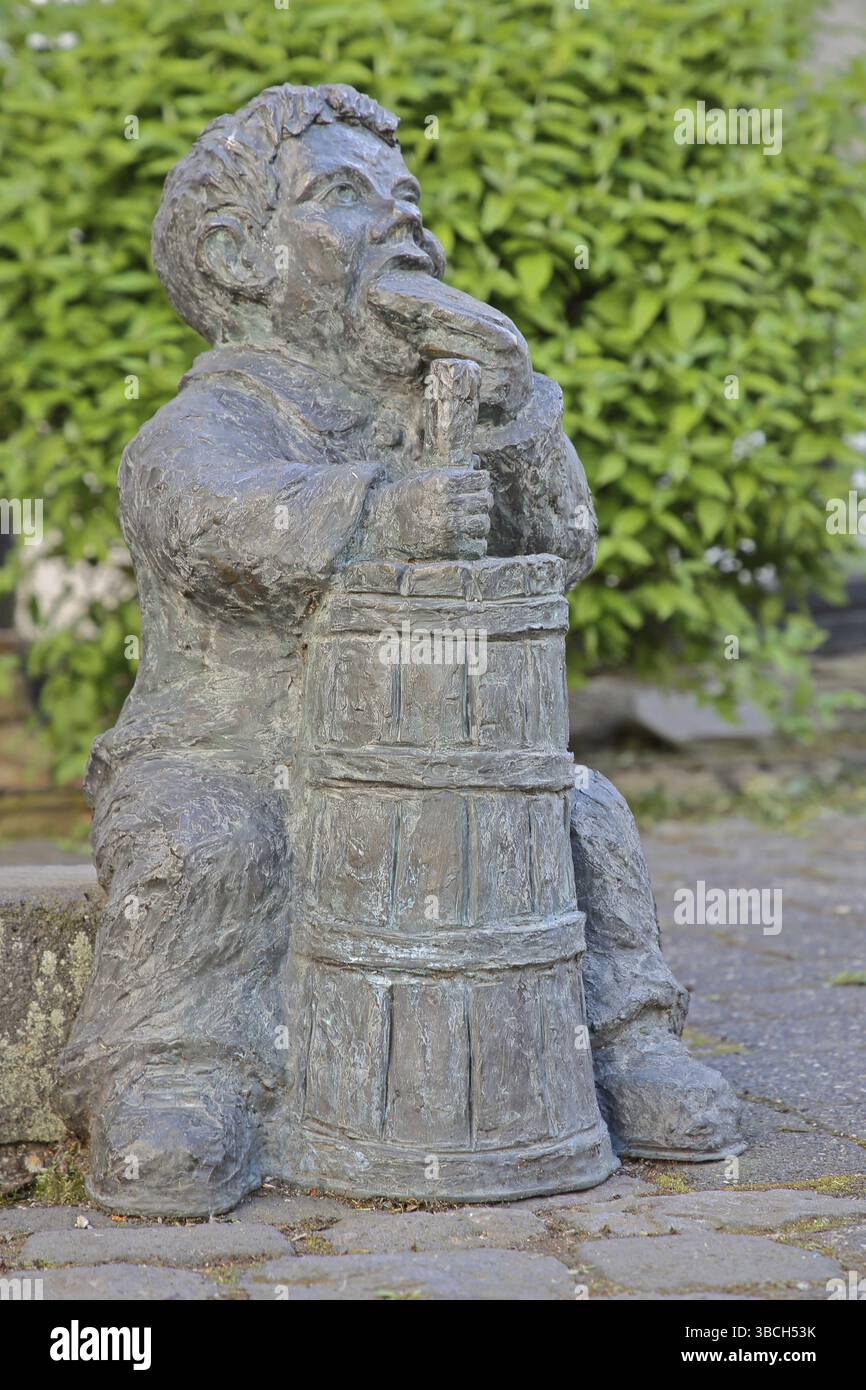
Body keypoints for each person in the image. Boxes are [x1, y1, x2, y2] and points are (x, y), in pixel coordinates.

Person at [56, 84, 742, 1216]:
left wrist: (516, 405)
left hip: (429, 760)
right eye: (344, 196)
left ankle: (620, 1038)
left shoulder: (444, 404)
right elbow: (216, 520)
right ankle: (180, 1068)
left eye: (408, 199)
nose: (403, 223)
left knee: (581, 809)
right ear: (237, 256)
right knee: (206, 846)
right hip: (233, 752)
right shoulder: (210, 423)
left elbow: (561, 541)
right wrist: (380, 507)